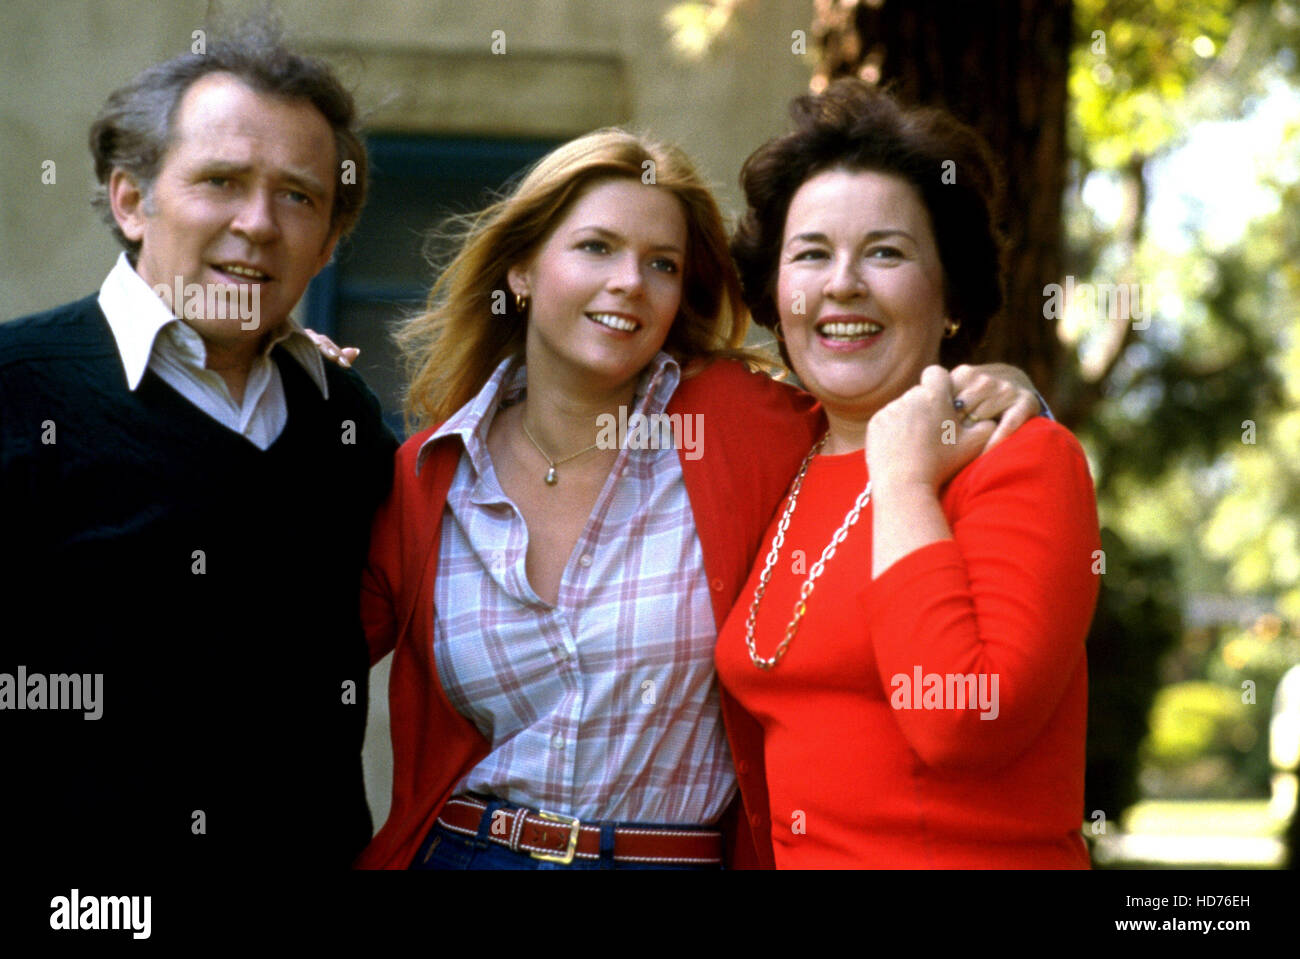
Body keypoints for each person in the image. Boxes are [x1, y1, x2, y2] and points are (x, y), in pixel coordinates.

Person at [354, 127, 1043, 870]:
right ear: (520, 269)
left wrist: (989, 386)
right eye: (596, 248)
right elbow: (288, 660)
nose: (629, 281)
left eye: (662, 264)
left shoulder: (741, 427)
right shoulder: (430, 475)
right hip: (470, 853)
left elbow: (877, 410)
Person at [0, 19, 395, 871]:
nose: (258, 224)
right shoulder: (14, 389)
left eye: (298, 196)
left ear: (330, 242)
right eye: (221, 180)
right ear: (131, 200)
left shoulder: (346, 424)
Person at [715, 79, 1101, 868]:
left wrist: (901, 479)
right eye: (811, 253)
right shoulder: (777, 457)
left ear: (950, 294)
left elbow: (966, 718)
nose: (842, 283)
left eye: (885, 251)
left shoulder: (1020, 457)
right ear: (775, 290)